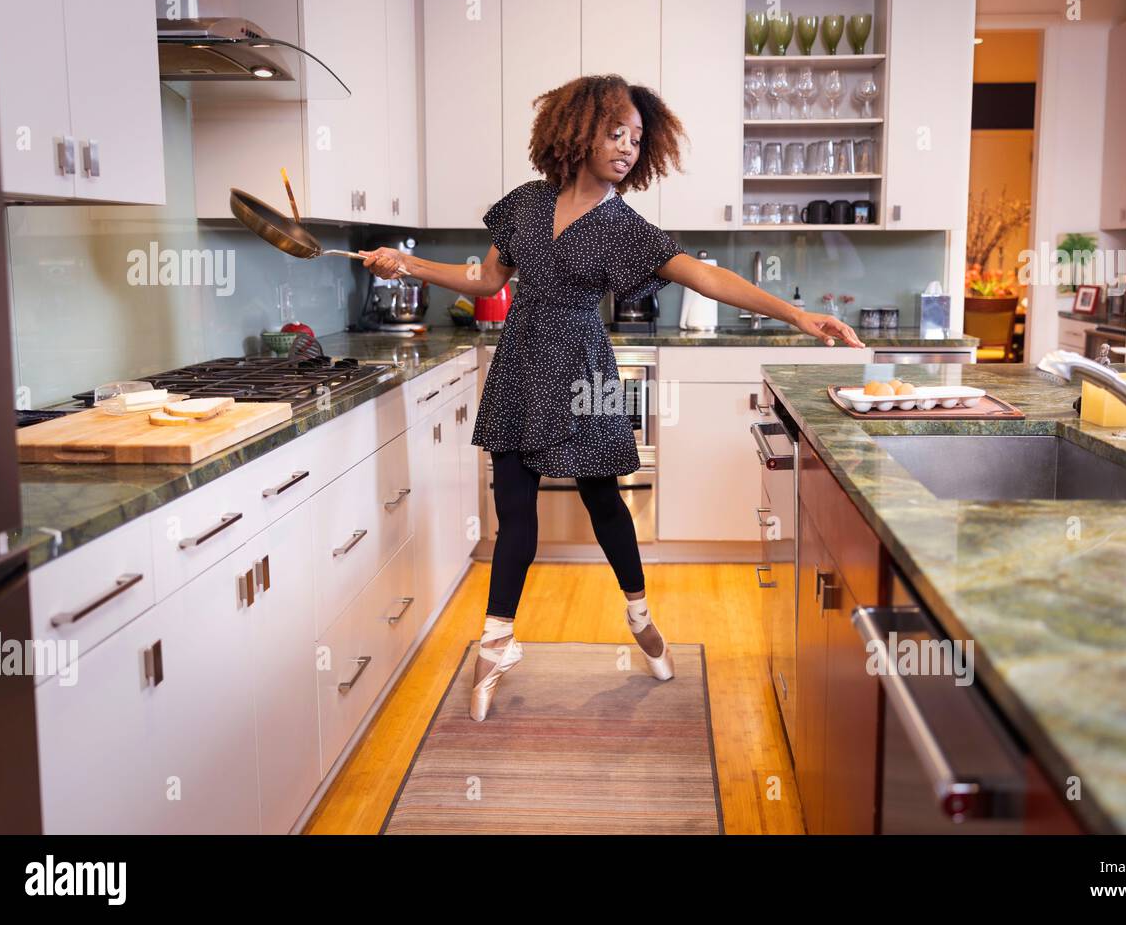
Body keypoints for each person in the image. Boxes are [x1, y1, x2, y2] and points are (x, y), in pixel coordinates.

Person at [362, 74, 863, 721]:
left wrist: (796, 314)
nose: (627, 147)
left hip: (585, 371)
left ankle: (640, 614)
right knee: (514, 509)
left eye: (636, 138)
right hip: (520, 366)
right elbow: (485, 278)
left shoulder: (624, 227)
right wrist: (408, 265)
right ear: (578, 133)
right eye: (615, 133)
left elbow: (705, 276)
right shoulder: (526, 204)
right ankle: (497, 638)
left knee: (604, 500)